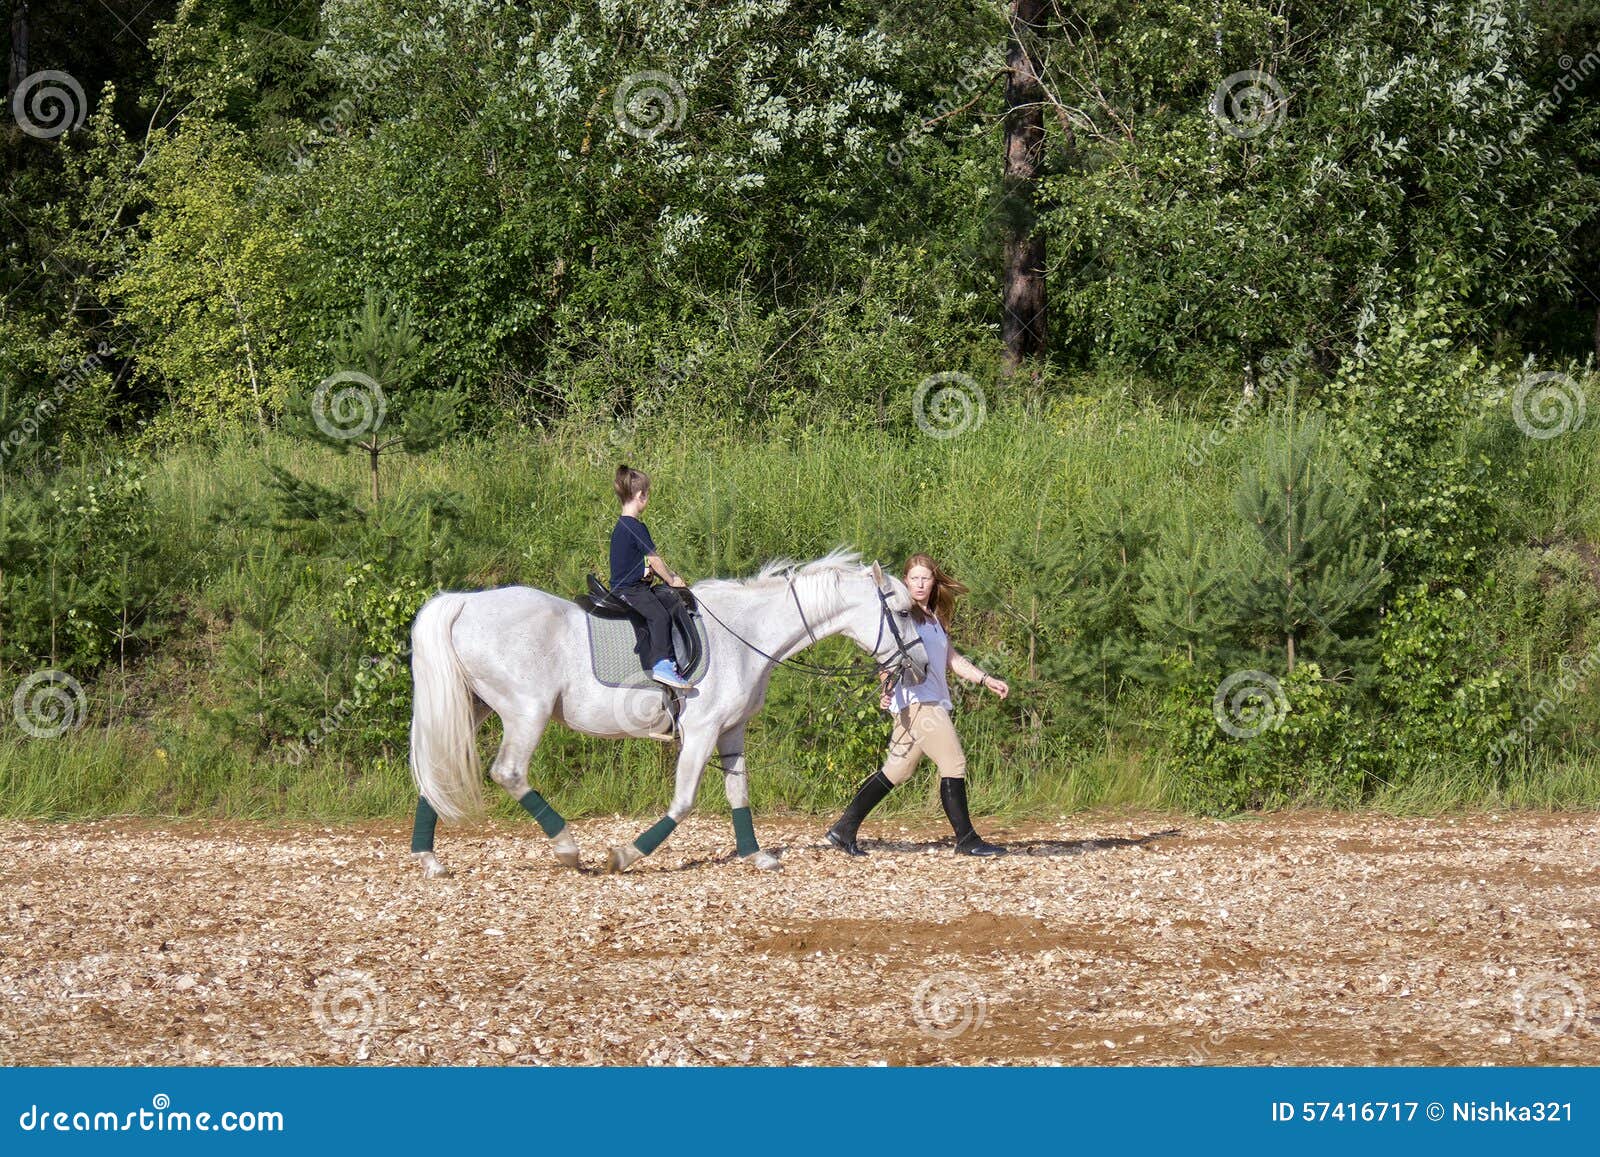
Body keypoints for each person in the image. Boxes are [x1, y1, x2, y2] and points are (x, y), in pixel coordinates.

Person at [826, 553, 1010, 857]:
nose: (920, 584)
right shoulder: (903, 615)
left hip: (924, 701)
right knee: (954, 764)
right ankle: (967, 839)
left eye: (926, 578)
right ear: (906, 581)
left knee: (897, 769)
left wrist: (984, 678)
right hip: (919, 701)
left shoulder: (935, 618)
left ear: (933, 581)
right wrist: (886, 685)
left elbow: (952, 659)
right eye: (914, 579)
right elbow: (887, 655)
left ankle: (843, 830)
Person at [610, 464, 692, 689]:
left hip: (630, 586)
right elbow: (654, 560)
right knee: (660, 616)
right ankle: (662, 665)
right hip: (630, 589)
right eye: (647, 494)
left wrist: (665, 574)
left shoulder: (622, 525)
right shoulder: (636, 526)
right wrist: (672, 580)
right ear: (640, 496)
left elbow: (646, 565)